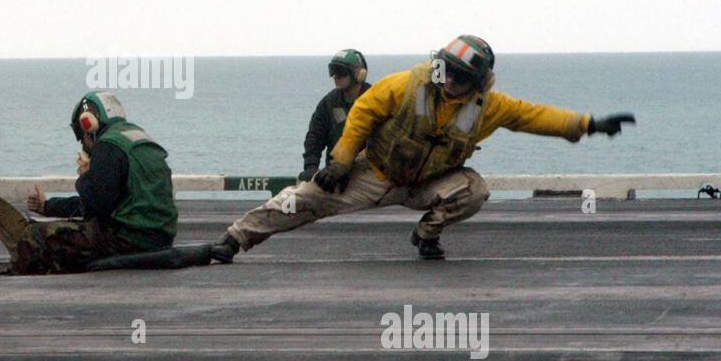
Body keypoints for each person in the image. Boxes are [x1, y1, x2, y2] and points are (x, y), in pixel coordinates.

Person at [211, 35, 635, 262]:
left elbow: (534, 116)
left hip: (426, 184)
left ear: (480, 82)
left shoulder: (492, 106)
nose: (450, 82)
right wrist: (339, 162)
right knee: (301, 201)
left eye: (461, 78)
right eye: (447, 72)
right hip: (373, 172)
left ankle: (425, 236)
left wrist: (588, 125)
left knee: (474, 190)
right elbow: (362, 113)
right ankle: (233, 240)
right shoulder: (407, 83)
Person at [15, 91, 178, 274]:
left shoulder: (107, 145)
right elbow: (109, 201)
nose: (83, 145)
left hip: (128, 239)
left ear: (88, 127)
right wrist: (47, 206)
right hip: (160, 238)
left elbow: (96, 208)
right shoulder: (137, 136)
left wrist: (86, 175)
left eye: (82, 136)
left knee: (34, 235)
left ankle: (16, 282)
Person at [300, 49, 372, 182]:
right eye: (332, 70)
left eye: (340, 71)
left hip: (368, 176)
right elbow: (314, 137)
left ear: (359, 74)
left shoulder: (375, 100)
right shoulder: (329, 103)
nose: (335, 76)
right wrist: (311, 167)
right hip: (334, 176)